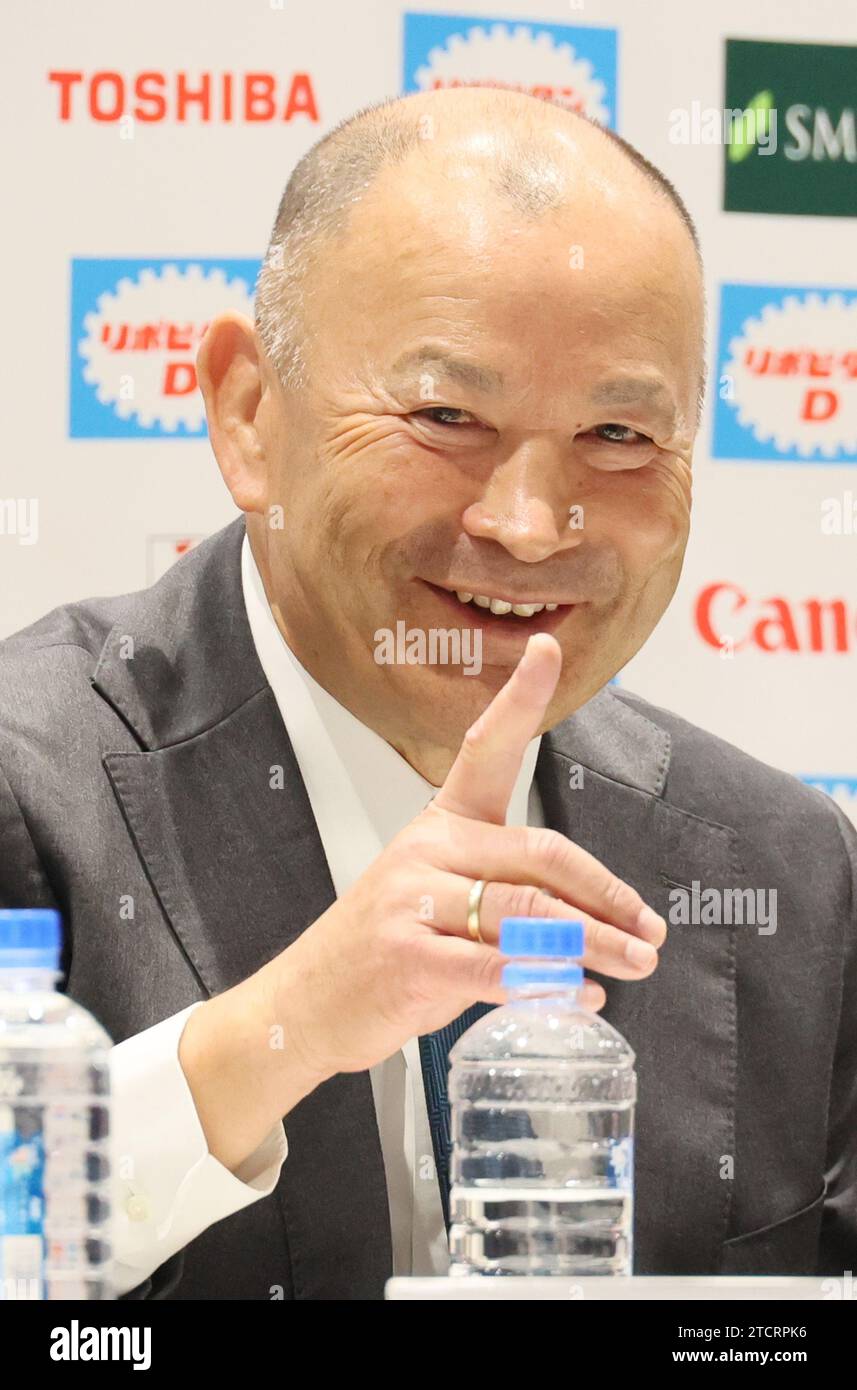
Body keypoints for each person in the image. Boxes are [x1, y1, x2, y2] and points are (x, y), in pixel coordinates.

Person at [0, 88, 854, 1300]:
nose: (523, 523)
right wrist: (274, 1033)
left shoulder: (784, 863)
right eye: (445, 415)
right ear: (248, 414)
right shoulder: (28, 788)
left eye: (616, 435)